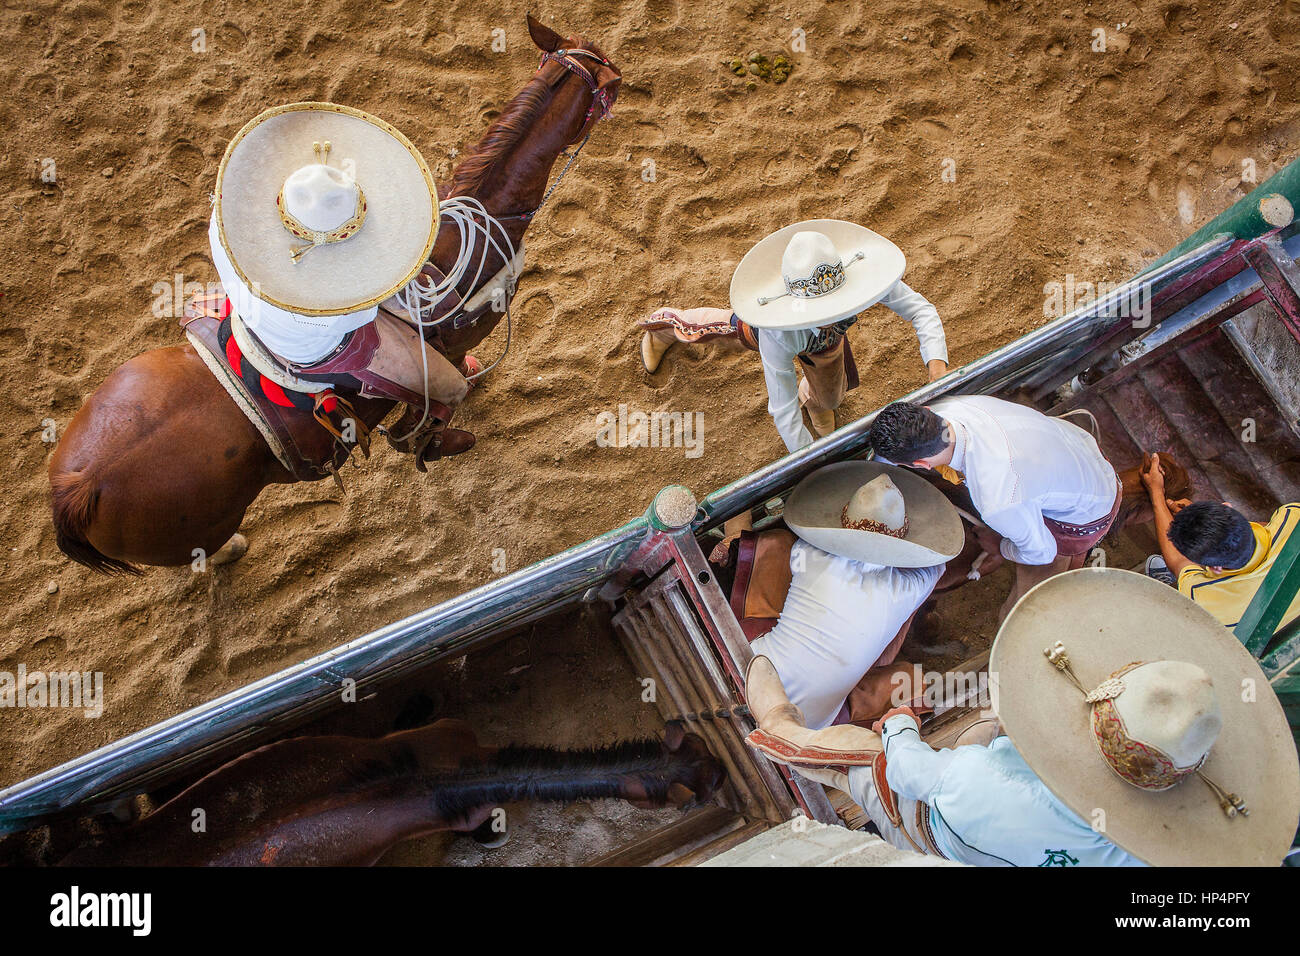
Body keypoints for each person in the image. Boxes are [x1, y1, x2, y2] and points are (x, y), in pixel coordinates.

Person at [744, 567, 1300, 866]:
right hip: (998, 837)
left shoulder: (976, 781)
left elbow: (914, 771)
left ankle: (778, 729)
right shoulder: (1156, 858)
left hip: (935, 820)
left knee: (862, 758)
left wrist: (899, 724)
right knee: (988, 727)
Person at [207, 102, 476, 465]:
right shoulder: (341, 302)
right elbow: (369, 310)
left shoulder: (222, 219)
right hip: (320, 345)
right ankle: (419, 435)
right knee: (449, 386)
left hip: (254, 315)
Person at [638, 221, 948, 453]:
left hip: (825, 343)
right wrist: (808, 458)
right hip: (780, 331)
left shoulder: (866, 281)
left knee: (831, 395)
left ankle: (814, 400)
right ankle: (664, 328)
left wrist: (938, 377)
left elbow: (921, 311)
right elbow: (783, 408)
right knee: (726, 329)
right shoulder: (777, 335)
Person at [744, 460, 964, 729]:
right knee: (907, 670)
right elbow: (937, 567)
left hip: (750, 667)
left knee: (777, 549)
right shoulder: (911, 587)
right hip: (809, 725)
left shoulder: (809, 552)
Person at [869, 396, 1121, 619]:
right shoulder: (949, 406)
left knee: (1022, 611)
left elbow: (1042, 552)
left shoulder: (996, 498)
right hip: (1083, 449)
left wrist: (1001, 546)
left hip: (1090, 511)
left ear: (923, 464)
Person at [1140, 453, 1300, 630]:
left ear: (1215, 568)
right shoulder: (1292, 516)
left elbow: (1178, 561)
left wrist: (1156, 492)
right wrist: (1208, 523)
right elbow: (1267, 527)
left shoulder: (1201, 596)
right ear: (1227, 506)